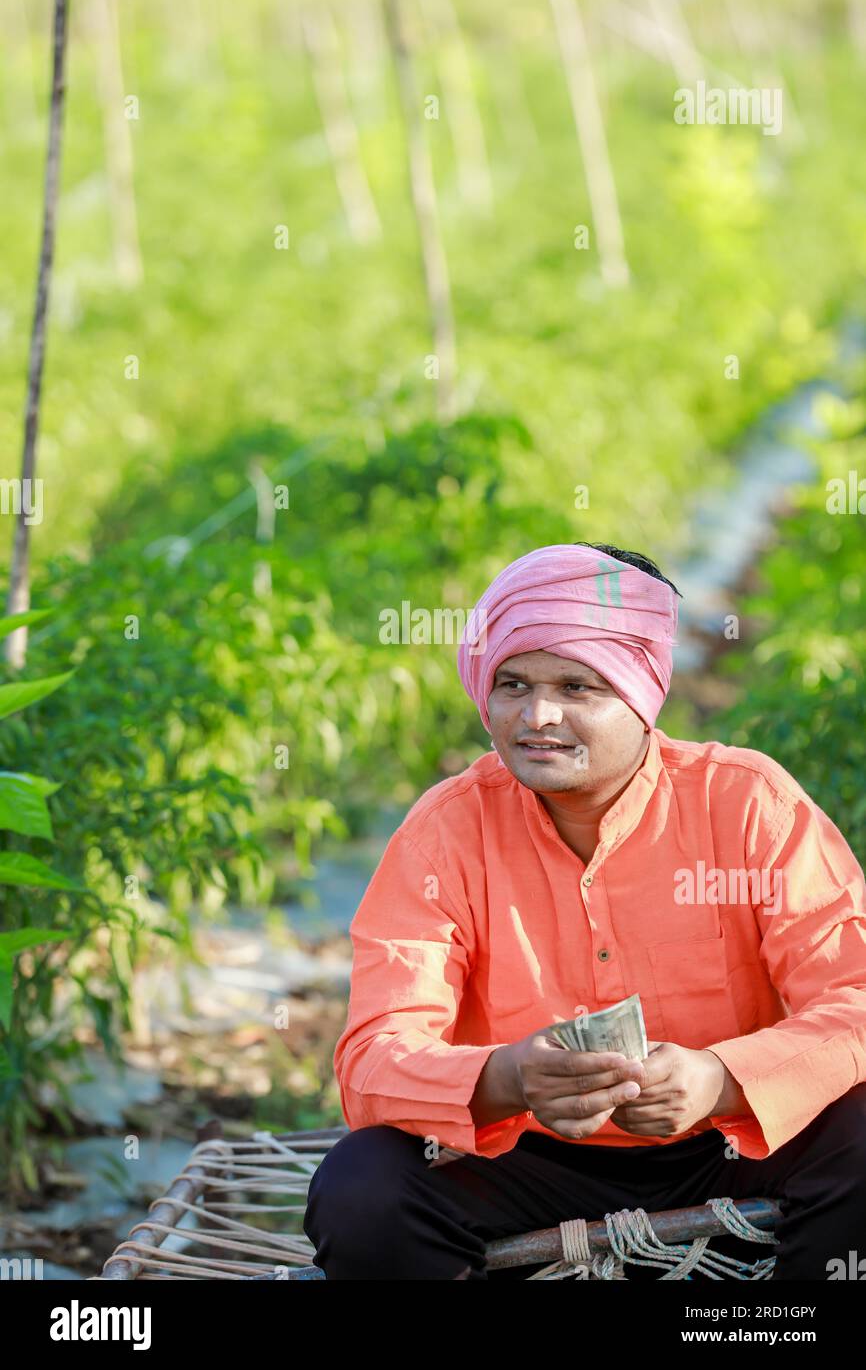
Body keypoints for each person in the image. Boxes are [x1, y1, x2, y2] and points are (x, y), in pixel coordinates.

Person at [303, 542, 866, 1280]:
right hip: (524, 1158)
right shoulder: (446, 829)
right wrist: (507, 1078)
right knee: (361, 1187)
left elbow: (853, 999)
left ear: (643, 691)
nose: (538, 715)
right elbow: (373, 1056)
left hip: (735, 1143)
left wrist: (717, 1079)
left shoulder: (746, 803)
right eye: (512, 684)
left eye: (577, 686)